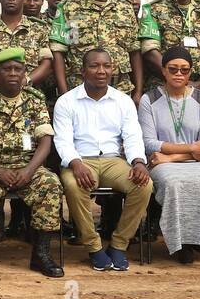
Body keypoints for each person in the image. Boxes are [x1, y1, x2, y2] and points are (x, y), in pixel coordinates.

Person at [0, 48, 63, 279]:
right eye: (7, 69)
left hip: (27, 167)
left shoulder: (35, 101)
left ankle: (41, 253)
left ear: (25, 72)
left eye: (18, 69)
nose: (13, 74)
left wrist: (29, 171)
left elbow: (45, 142)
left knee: (51, 183)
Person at [54, 48, 152, 271]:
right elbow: (63, 140)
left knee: (144, 185)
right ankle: (93, 247)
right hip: (80, 160)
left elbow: (132, 135)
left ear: (112, 69)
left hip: (113, 161)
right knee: (72, 184)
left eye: (106, 66)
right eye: (94, 66)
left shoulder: (123, 101)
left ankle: (119, 245)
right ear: (82, 71)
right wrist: (75, 163)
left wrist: (138, 161)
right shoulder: (66, 102)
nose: (101, 71)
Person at [139, 48, 200, 263]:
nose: (178, 74)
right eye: (173, 69)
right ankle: (179, 243)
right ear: (163, 71)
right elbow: (148, 143)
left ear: (190, 72)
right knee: (174, 184)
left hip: (192, 162)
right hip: (162, 164)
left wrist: (170, 156)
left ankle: (198, 240)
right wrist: (189, 149)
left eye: (184, 70)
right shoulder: (150, 99)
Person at [51, 0, 143, 98]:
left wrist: (138, 91)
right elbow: (59, 51)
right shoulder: (70, 8)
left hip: (120, 88)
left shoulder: (125, 7)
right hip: (80, 89)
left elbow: (134, 50)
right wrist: (63, 93)